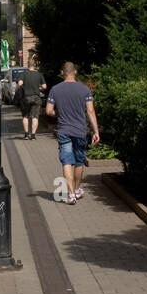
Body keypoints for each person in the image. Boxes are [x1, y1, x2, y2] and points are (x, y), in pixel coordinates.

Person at [46, 61, 100, 204]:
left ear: (62, 72)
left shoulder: (55, 90)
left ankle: (70, 195)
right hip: (80, 131)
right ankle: (76, 190)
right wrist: (96, 131)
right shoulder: (84, 90)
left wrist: (58, 113)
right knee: (79, 161)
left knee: (66, 162)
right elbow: (90, 111)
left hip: (64, 130)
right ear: (75, 72)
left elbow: (48, 111)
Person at [17, 60, 46, 140]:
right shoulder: (39, 74)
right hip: (36, 98)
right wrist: (38, 87)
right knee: (35, 117)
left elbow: (19, 83)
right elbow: (44, 86)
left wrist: (24, 85)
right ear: (35, 65)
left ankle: (26, 135)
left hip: (26, 98)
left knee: (25, 116)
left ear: (28, 65)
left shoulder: (24, 74)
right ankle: (33, 136)